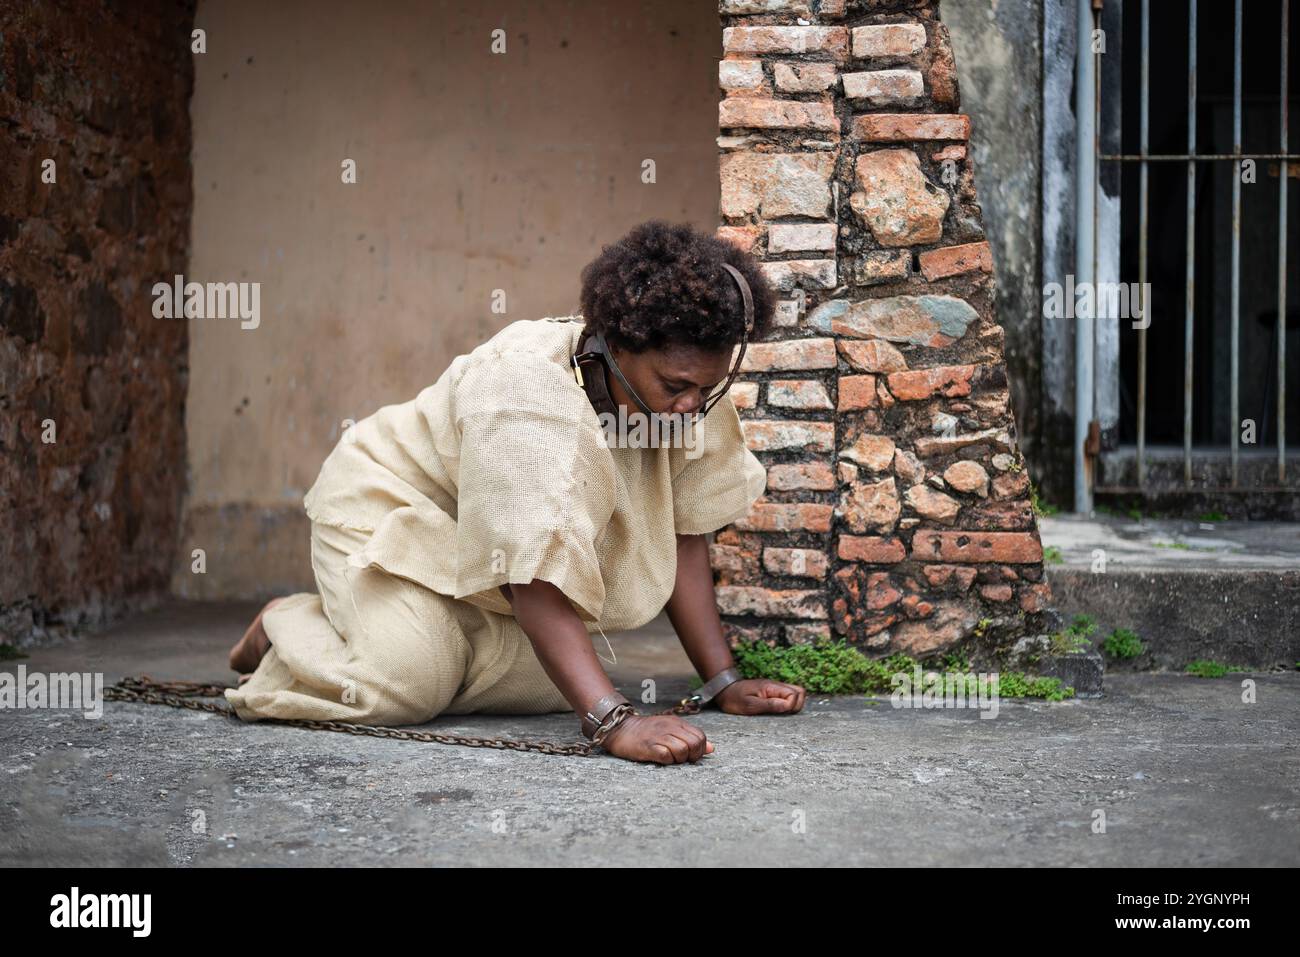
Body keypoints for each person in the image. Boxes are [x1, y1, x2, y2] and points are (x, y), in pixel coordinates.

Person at [225, 219, 807, 764]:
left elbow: (684, 532)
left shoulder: (688, 399)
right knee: (405, 684)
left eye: (706, 387)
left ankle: (427, 634)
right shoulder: (526, 393)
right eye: (675, 385)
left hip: (486, 551)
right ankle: (289, 625)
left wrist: (722, 681)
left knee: (559, 677)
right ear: (616, 343)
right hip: (390, 506)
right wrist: (613, 723)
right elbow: (528, 573)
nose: (691, 406)